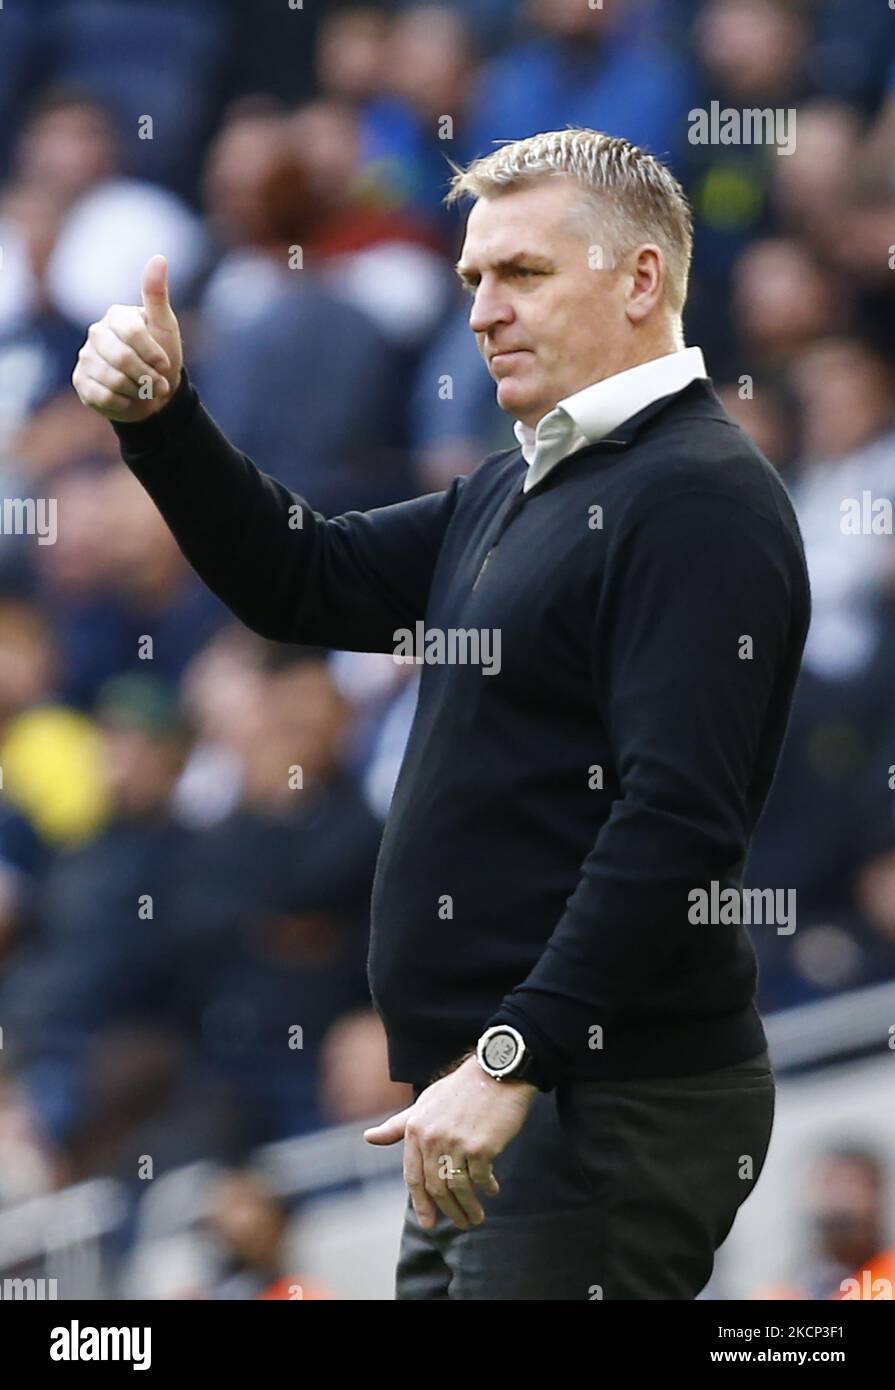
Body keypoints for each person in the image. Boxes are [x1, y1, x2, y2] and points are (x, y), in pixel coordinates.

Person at [72, 126, 810, 1300]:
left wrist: (513, 1056)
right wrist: (163, 422)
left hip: (590, 1101)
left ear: (640, 279)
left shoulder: (695, 499)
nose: (482, 311)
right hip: (496, 1102)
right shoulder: (526, 481)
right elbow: (298, 578)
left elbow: (677, 824)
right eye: (472, 278)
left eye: (522, 273)